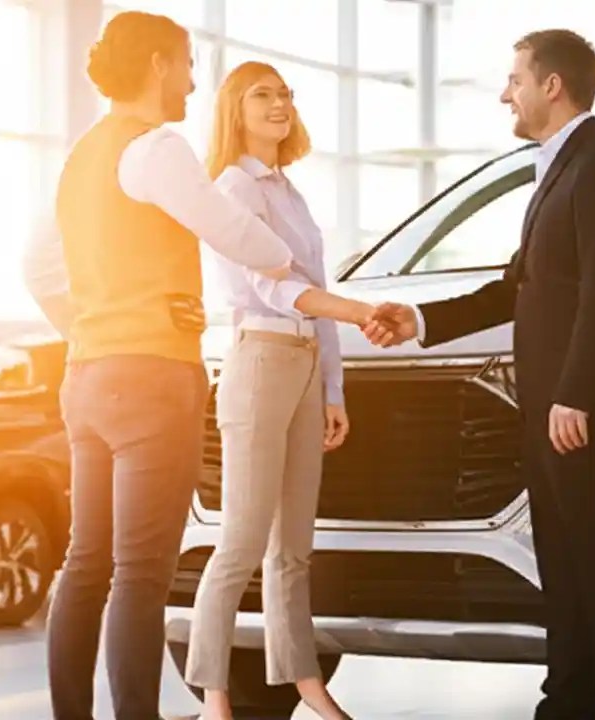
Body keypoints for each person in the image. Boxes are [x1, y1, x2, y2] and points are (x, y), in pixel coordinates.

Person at [22, 11, 318, 720]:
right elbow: (234, 231)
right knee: (141, 573)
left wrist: (95, 324)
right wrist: (292, 264)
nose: (191, 80)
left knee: (86, 563)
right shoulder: (158, 147)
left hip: (88, 376)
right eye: (187, 64)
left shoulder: (81, 155)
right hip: (152, 381)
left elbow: (37, 265)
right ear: (158, 64)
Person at [363, 29, 595, 720]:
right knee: (564, 565)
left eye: (515, 80)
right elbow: (515, 290)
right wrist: (419, 320)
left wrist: (575, 395)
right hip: (549, 405)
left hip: (579, 405)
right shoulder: (559, 169)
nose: (506, 93)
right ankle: (568, 701)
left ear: (552, 86)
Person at [183, 61, 365, 720]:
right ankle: (214, 696)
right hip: (259, 362)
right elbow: (274, 286)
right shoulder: (232, 188)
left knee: (294, 546)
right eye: (263, 94)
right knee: (241, 541)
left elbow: (314, 296)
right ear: (235, 108)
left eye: (285, 93)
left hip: (304, 365)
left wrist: (333, 389)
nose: (279, 103)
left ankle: (305, 683)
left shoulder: (289, 191)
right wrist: (353, 310)